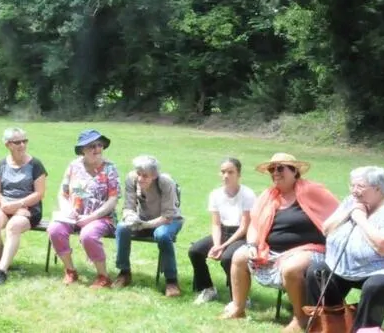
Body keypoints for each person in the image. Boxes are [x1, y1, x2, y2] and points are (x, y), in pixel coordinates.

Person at [220, 152, 339, 333]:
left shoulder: (312, 191)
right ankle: (238, 308)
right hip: (271, 250)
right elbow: (255, 224)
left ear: (294, 171)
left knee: (291, 267)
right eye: (272, 169)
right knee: (239, 256)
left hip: (310, 249)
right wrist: (252, 245)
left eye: (280, 168)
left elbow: (338, 213)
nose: (275, 172)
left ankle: (300, 319)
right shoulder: (269, 195)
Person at [304, 166, 384, 331]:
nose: (354, 191)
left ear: (378, 188)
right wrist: (350, 211)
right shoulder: (352, 201)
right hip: (353, 267)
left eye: (360, 186)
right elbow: (326, 229)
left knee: (375, 285)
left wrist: (361, 218)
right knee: (317, 271)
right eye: (352, 185)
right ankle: (334, 326)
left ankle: (363, 329)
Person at [47, 129, 120, 289]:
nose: (97, 149)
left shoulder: (109, 168)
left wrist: (91, 217)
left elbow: (113, 199)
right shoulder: (74, 166)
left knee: (88, 234)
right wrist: (68, 209)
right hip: (74, 215)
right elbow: (63, 193)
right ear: (82, 150)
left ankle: (103, 276)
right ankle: (70, 270)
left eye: (100, 145)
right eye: (92, 146)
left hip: (101, 217)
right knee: (54, 229)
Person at [113, 155, 184, 297]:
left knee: (162, 235)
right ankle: (124, 272)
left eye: (145, 176)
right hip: (143, 219)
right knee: (122, 227)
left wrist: (145, 225)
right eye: (139, 174)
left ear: (154, 175)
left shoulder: (165, 182)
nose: (140, 179)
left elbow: (168, 216)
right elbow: (128, 206)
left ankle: (171, 281)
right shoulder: (131, 179)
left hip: (169, 221)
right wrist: (130, 217)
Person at [0, 127, 47, 285]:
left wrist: (19, 204)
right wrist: (3, 203)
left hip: (28, 207)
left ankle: (1, 270)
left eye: (24, 141)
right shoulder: (1, 164)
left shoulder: (36, 164)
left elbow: (39, 194)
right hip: (5, 205)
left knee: (13, 226)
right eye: (17, 142)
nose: (22, 145)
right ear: (7, 144)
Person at [189, 157, 256, 304]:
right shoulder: (215, 194)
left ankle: (240, 296)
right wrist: (216, 244)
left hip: (242, 235)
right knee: (195, 250)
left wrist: (222, 247)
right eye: (223, 172)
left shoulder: (247, 194)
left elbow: (245, 226)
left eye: (230, 172)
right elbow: (216, 224)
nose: (226, 175)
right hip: (223, 232)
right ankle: (207, 289)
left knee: (227, 257)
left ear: (238, 175)